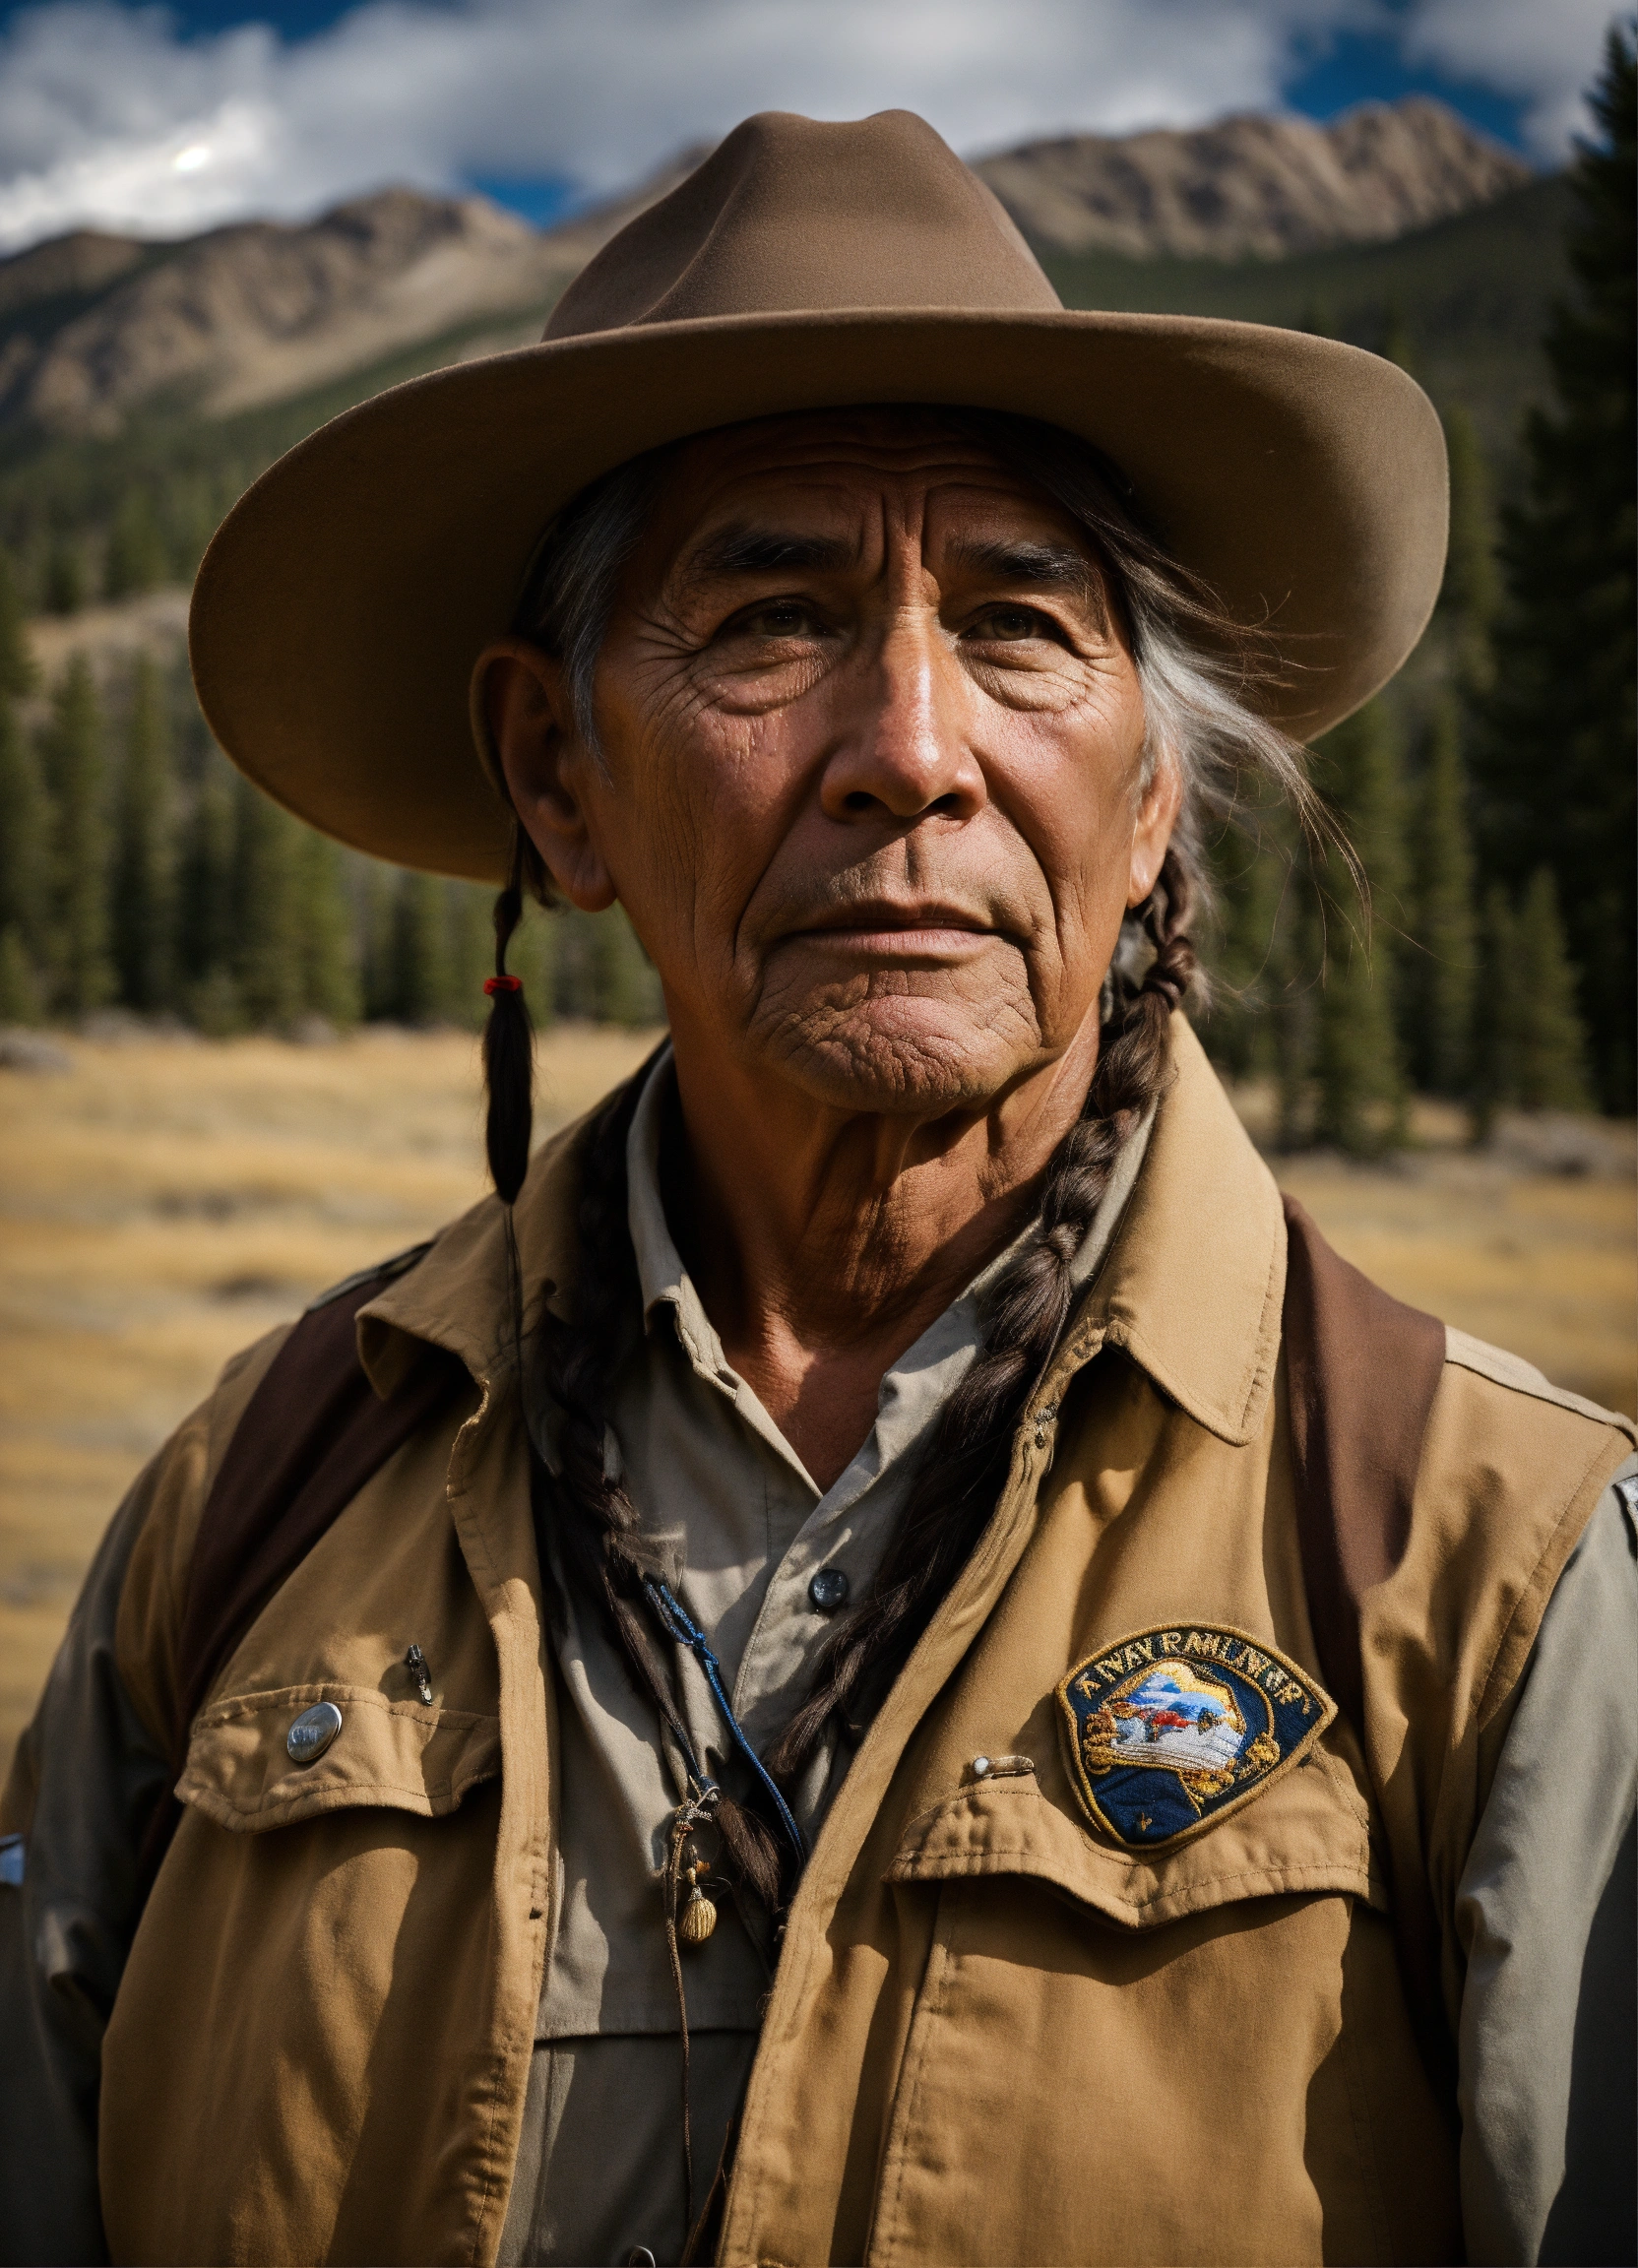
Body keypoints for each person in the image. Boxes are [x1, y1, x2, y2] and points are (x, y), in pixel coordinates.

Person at [2, 109, 1633, 2268]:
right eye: (770, 620)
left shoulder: (1477, 1571)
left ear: (1149, 798)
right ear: (554, 779)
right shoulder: (252, 1515)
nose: (915, 743)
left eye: (1024, 624)